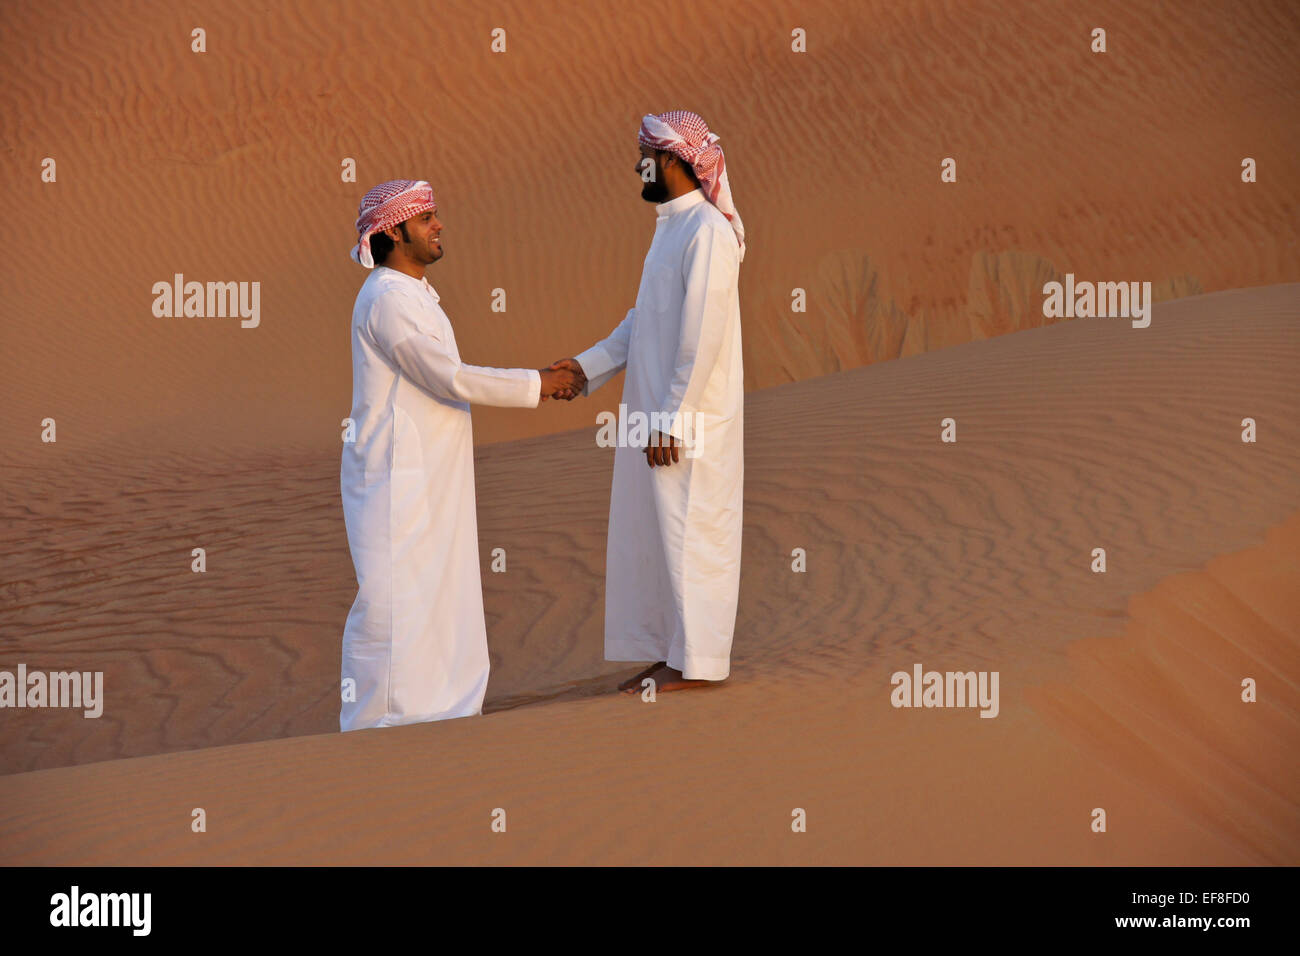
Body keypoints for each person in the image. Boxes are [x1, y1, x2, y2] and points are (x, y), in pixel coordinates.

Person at [340, 179, 583, 731]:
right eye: (425, 218)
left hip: (435, 474)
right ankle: (370, 728)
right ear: (394, 232)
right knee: (389, 602)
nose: (438, 224)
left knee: (441, 590)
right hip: (395, 479)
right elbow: (446, 377)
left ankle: (439, 713)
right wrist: (537, 384)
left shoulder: (415, 295)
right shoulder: (385, 299)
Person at [551, 110, 745, 694]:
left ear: (668, 160)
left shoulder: (707, 232)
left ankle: (700, 664)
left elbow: (702, 333)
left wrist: (674, 421)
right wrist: (586, 368)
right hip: (660, 414)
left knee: (694, 533)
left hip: (688, 420)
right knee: (662, 533)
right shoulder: (672, 229)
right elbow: (645, 324)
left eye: (644, 153)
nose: (637, 164)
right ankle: (675, 655)